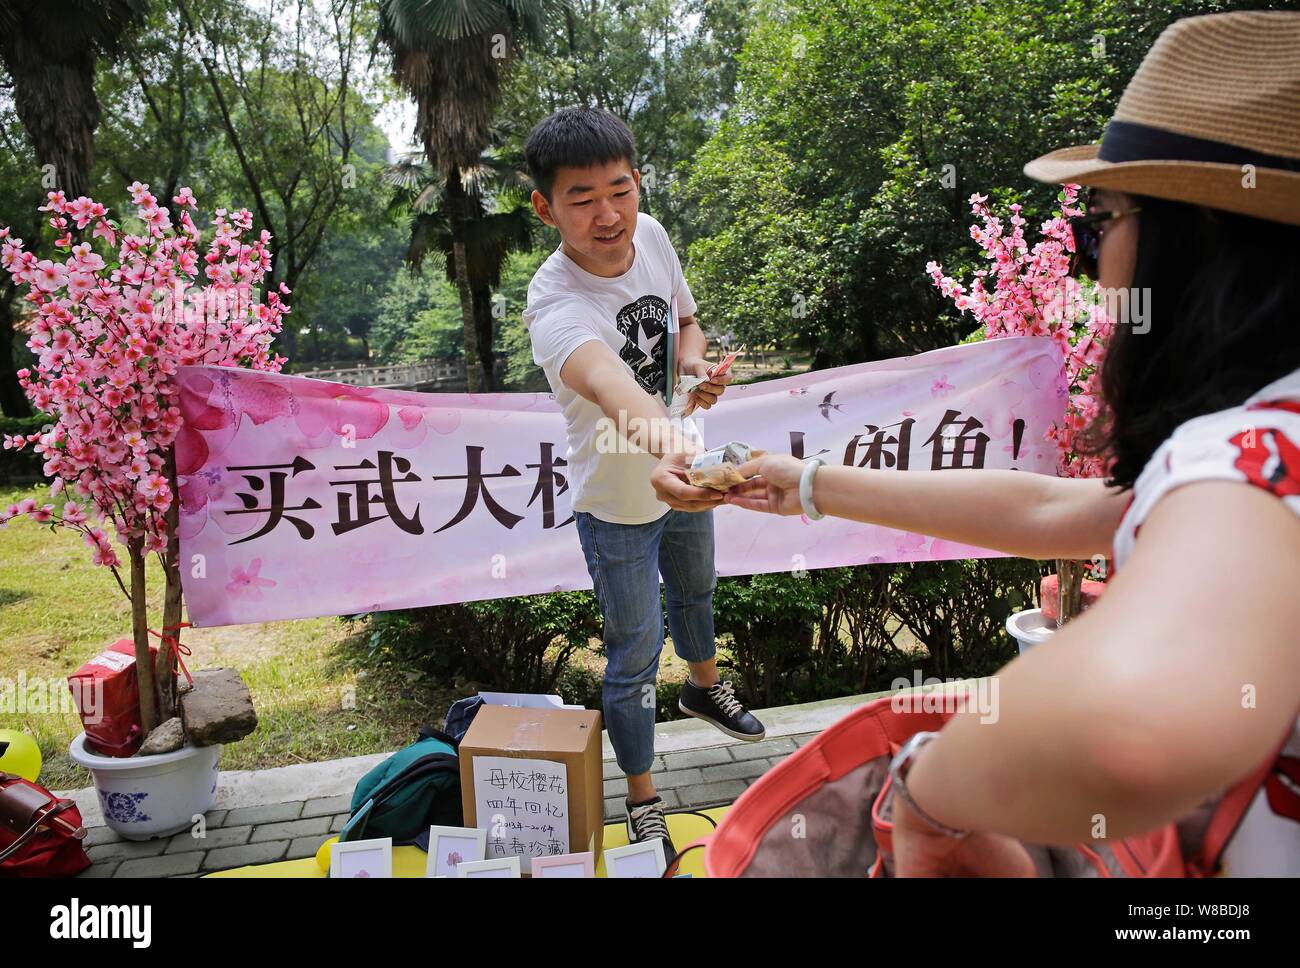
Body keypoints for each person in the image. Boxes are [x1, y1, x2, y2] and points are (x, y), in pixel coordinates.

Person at [683, 10, 1300, 876]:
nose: (1090, 266)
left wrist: (929, 795)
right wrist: (809, 482)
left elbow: (1133, 731)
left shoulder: (1250, 456)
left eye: (1101, 225)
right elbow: (1061, 507)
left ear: (1197, 244)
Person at [523, 107, 766, 864]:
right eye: (582, 199)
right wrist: (673, 449)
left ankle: (703, 688)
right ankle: (643, 798)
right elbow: (614, 390)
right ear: (545, 207)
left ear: (638, 181)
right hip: (620, 502)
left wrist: (694, 368)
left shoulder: (652, 234)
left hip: (684, 473)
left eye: (620, 190)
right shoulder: (554, 304)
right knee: (633, 655)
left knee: (697, 594)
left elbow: (686, 321)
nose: (609, 215)